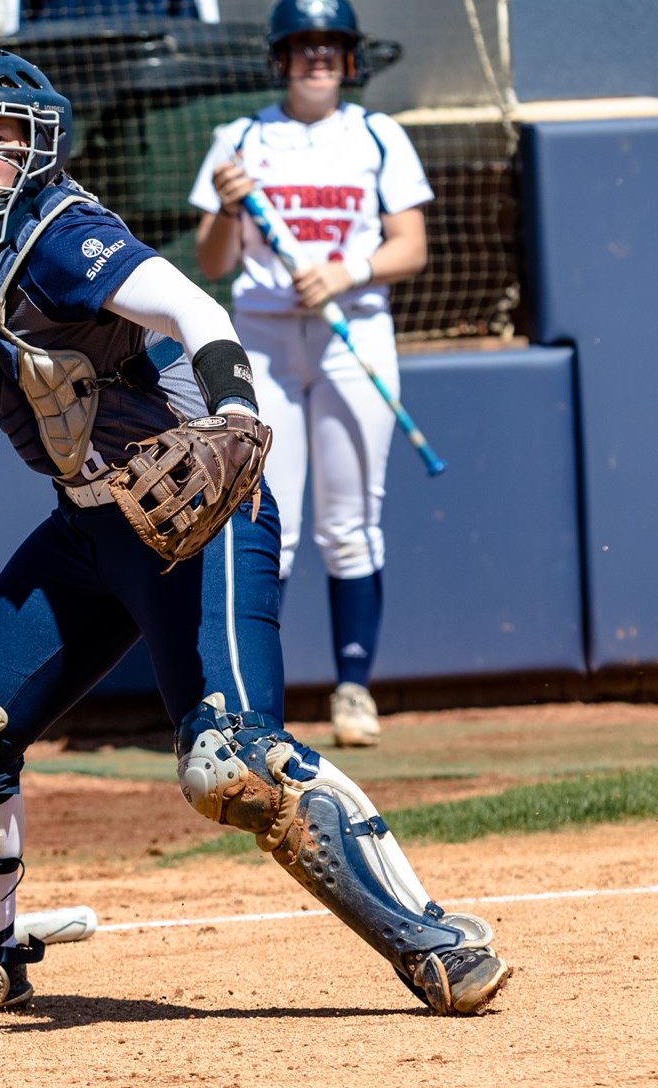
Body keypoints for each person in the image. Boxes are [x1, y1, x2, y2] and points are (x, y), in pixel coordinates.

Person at [0, 44, 506, 1021]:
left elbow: (190, 304)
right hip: (93, 523)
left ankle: (430, 938)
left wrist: (230, 412)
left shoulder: (58, 232)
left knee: (227, 761)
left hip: (197, 513)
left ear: (36, 152)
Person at [189, 0, 431, 748]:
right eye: (303, 45)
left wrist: (345, 271)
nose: (317, 58)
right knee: (269, 524)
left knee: (350, 526)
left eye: (330, 45)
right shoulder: (240, 139)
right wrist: (229, 210)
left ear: (349, 57)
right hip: (261, 340)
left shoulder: (375, 134)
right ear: (280, 56)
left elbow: (410, 246)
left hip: (351, 335)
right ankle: (256, 698)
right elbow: (211, 261)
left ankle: (353, 691)